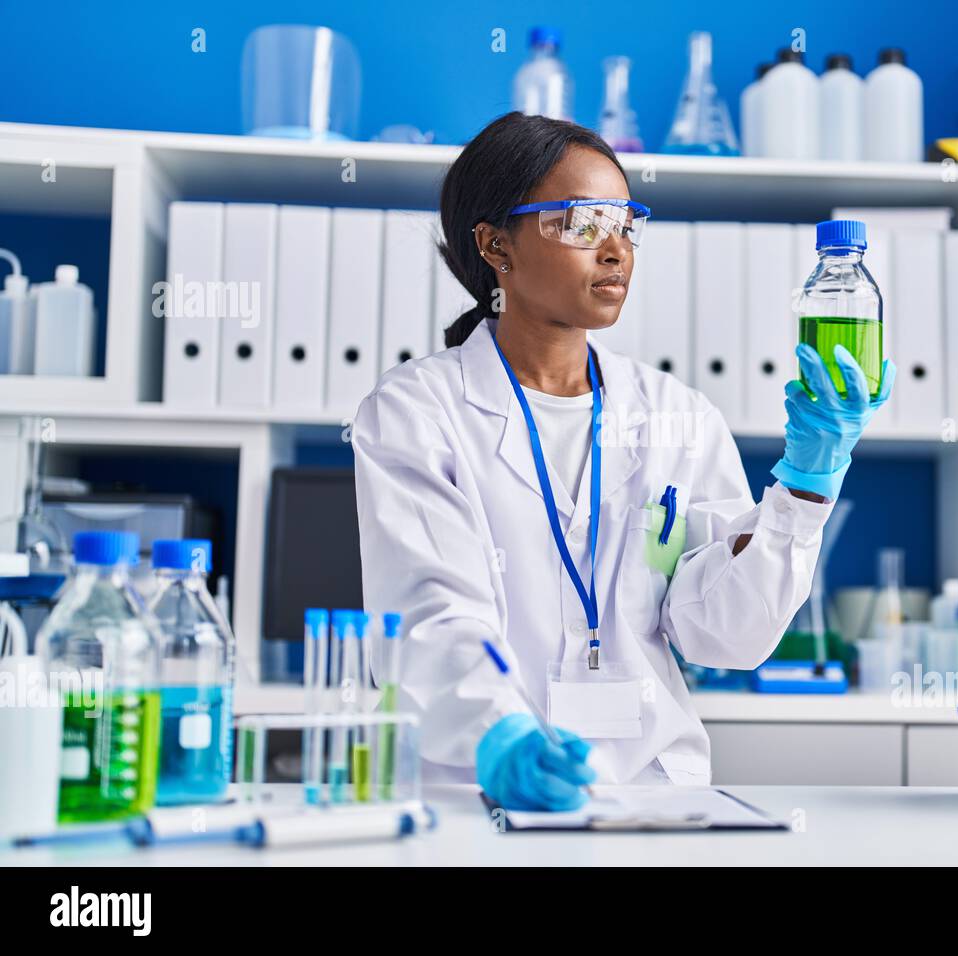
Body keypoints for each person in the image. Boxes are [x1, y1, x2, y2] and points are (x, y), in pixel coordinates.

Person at [352, 112, 894, 811]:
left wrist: (807, 481)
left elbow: (724, 635)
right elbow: (430, 616)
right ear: (496, 246)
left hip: (653, 796)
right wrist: (501, 736)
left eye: (626, 223)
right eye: (581, 222)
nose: (615, 250)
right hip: (475, 793)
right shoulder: (418, 411)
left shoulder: (676, 414)